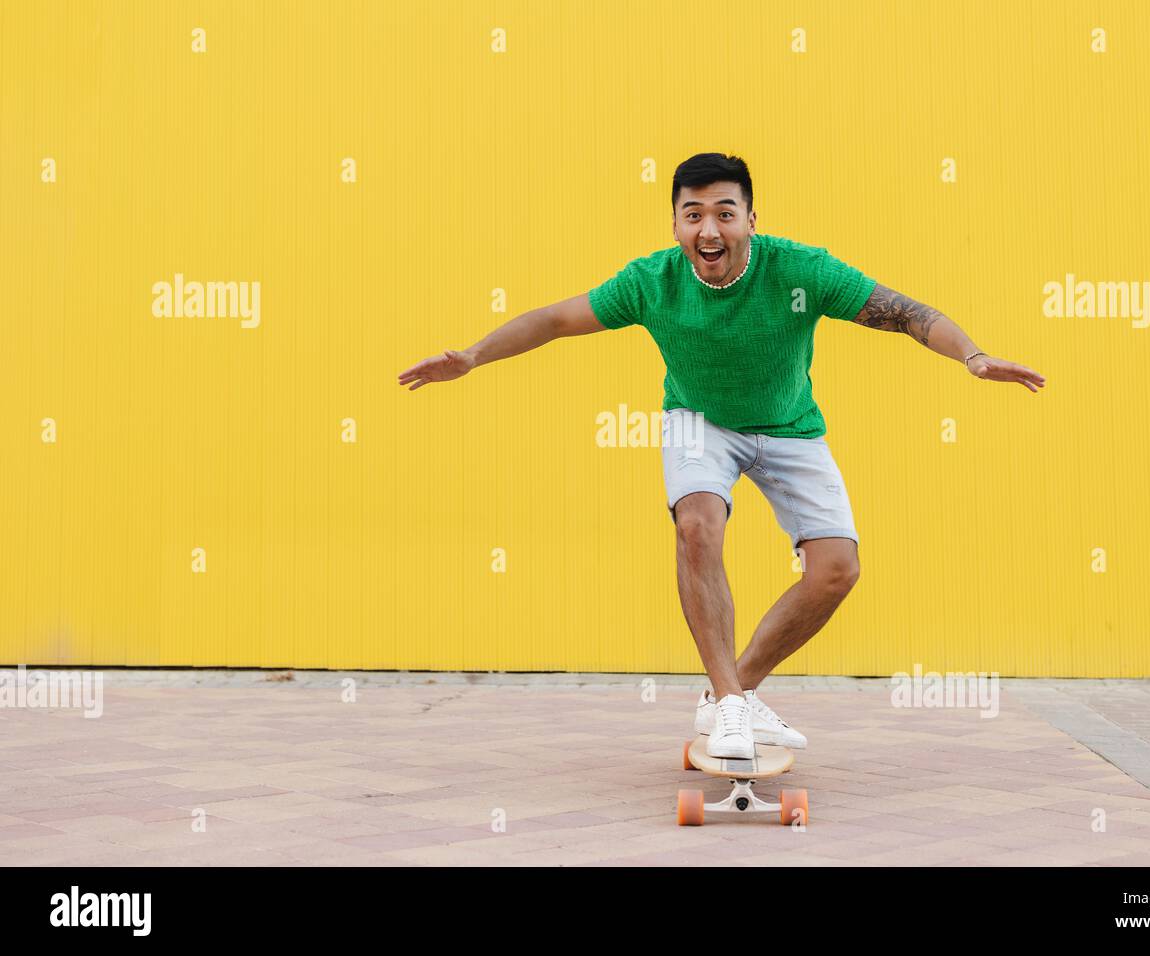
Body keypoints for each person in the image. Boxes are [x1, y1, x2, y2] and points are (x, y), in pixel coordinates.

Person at [399, 153, 1045, 760]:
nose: (709, 230)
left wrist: (972, 355)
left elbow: (905, 313)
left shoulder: (800, 271)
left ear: (751, 220)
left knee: (836, 571)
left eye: (724, 213)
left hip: (790, 427)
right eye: (694, 215)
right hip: (698, 421)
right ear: (676, 225)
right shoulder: (651, 282)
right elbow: (554, 320)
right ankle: (733, 702)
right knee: (696, 525)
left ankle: (731, 695)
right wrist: (473, 356)